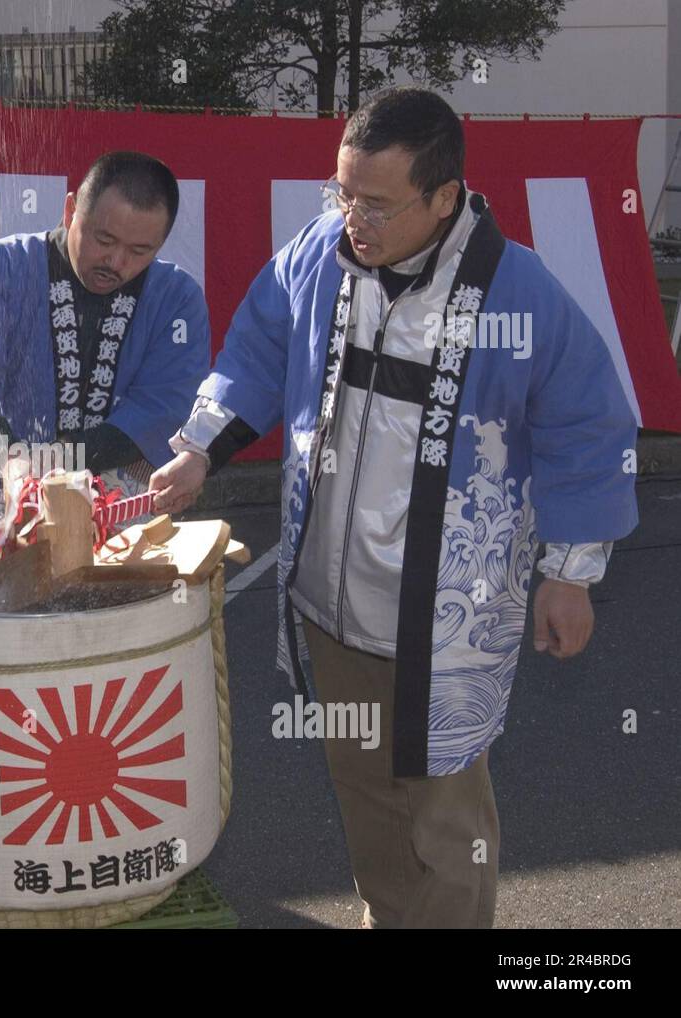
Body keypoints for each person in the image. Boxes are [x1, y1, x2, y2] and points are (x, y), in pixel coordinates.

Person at [150, 86, 639, 928]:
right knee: (365, 793)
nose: (354, 218)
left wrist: (570, 574)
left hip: (446, 617)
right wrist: (200, 448)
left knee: (446, 818)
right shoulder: (317, 256)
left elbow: (588, 424)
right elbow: (259, 350)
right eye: (344, 193)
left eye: (376, 202)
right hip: (330, 600)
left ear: (443, 197)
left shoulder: (514, 292)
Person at [0, 150, 210, 516]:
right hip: (4, 481)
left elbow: (164, 406)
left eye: (141, 250)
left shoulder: (176, 298)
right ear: (70, 210)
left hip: (115, 495)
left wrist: (57, 460)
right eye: (104, 240)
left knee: (120, 571)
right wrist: (13, 460)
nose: (116, 262)